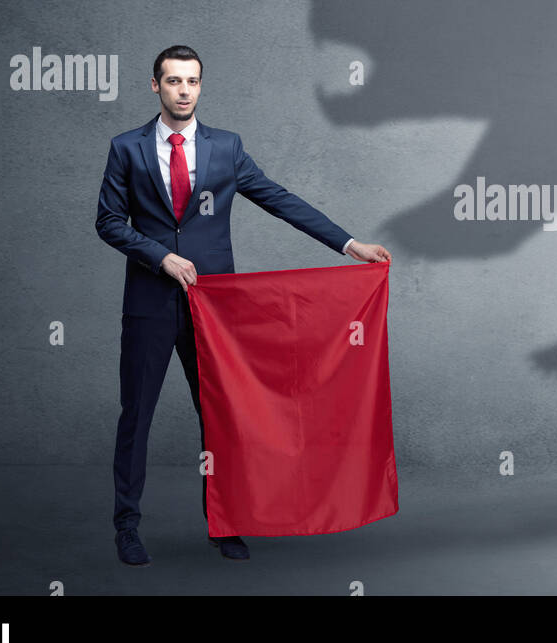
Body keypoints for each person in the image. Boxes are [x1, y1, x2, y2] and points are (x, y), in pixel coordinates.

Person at [95, 44, 391, 566]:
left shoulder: (226, 148)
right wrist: (160, 257)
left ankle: (225, 522)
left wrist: (349, 245)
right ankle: (127, 526)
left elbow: (278, 198)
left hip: (215, 312)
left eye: (192, 81)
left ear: (201, 86)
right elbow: (109, 221)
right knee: (136, 417)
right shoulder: (127, 148)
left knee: (222, 418)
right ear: (155, 86)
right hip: (150, 303)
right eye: (173, 81)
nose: (183, 90)